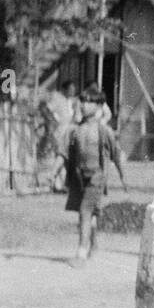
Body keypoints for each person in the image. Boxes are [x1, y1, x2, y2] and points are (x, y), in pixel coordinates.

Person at [65, 86, 128, 266]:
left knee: (85, 211)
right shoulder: (77, 130)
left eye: (89, 102)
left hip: (97, 177)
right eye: (82, 101)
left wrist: (124, 178)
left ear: (100, 106)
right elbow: (66, 154)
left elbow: (116, 154)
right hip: (80, 177)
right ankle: (93, 245)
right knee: (87, 214)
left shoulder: (104, 130)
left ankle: (81, 254)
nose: (84, 105)